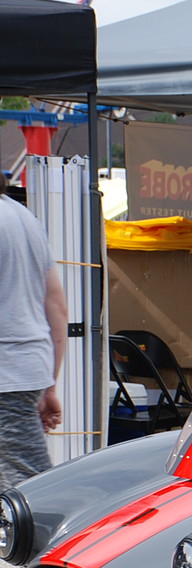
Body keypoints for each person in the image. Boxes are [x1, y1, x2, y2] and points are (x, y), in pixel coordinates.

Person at [0, 179, 68, 488]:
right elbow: (57, 306)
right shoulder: (23, 216)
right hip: (25, 369)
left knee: (28, 494)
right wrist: (50, 385)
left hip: (8, 373)